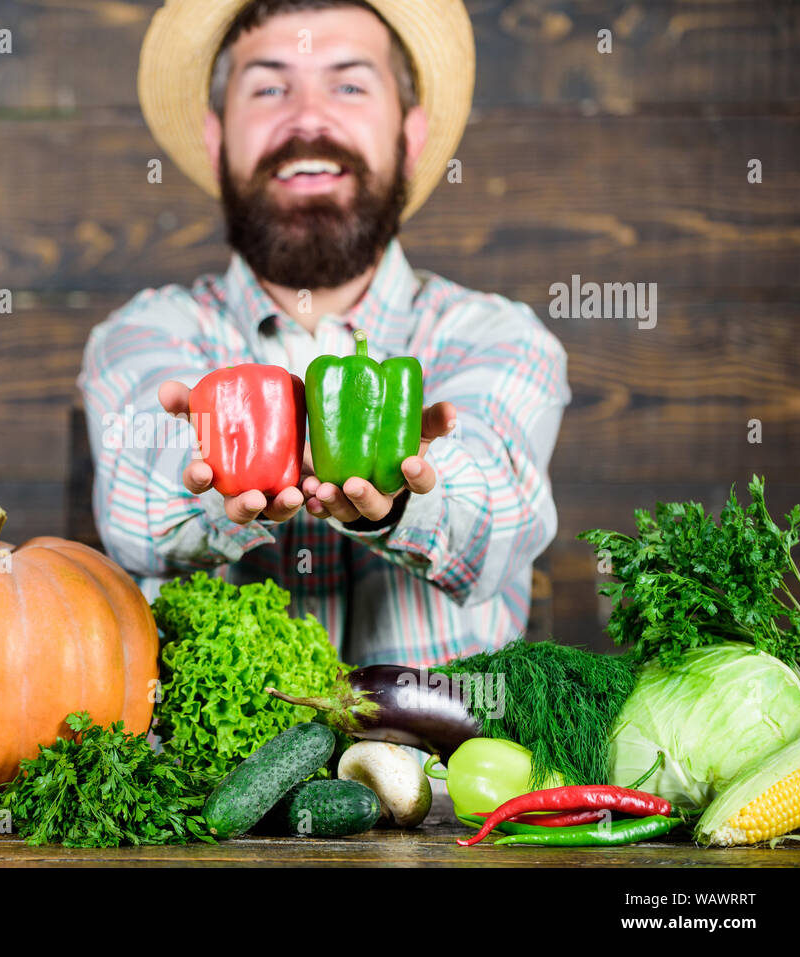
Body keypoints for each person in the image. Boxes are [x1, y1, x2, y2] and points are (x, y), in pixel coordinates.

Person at [77, 0, 571, 667]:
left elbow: (504, 518)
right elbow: (134, 517)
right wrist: (223, 488)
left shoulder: (495, 334)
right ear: (218, 137)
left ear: (411, 135)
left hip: (441, 773)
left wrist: (404, 497)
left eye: (349, 85)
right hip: (214, 778)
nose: (308, 118)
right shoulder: (146, 332)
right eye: (270, 87)